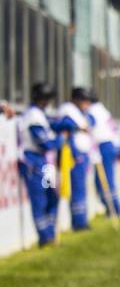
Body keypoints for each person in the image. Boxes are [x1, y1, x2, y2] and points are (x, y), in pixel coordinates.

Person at [19, 83, 60, 246]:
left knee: (52, 196)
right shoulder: (33, 116)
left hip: (44, 162)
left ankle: (50, 231)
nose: (47, 102)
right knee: (39, 199)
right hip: (34, 161)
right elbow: (45, 143)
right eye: (45, 98)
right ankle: (44, 236)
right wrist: (60, 140)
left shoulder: (40, 114)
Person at [50, 88, 96, 230]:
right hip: (72, 155)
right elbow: (65, 129)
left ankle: (81, 219)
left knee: (81, 188)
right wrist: (75, 155)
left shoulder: (82, 112)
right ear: (76, 99)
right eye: (84, 100)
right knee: (75, 189)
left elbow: (91, 121)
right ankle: (79, 222)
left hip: (83, 154)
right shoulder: (67, 110)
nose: (86, 104)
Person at [86, 94, 120, 217]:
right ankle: (113, 207)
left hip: (103, 145)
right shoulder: (103, 110)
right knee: (106, 179)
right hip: (110, 144)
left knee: (104, 180)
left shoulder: (92, 111)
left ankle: (114, 208)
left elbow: (89, 125)